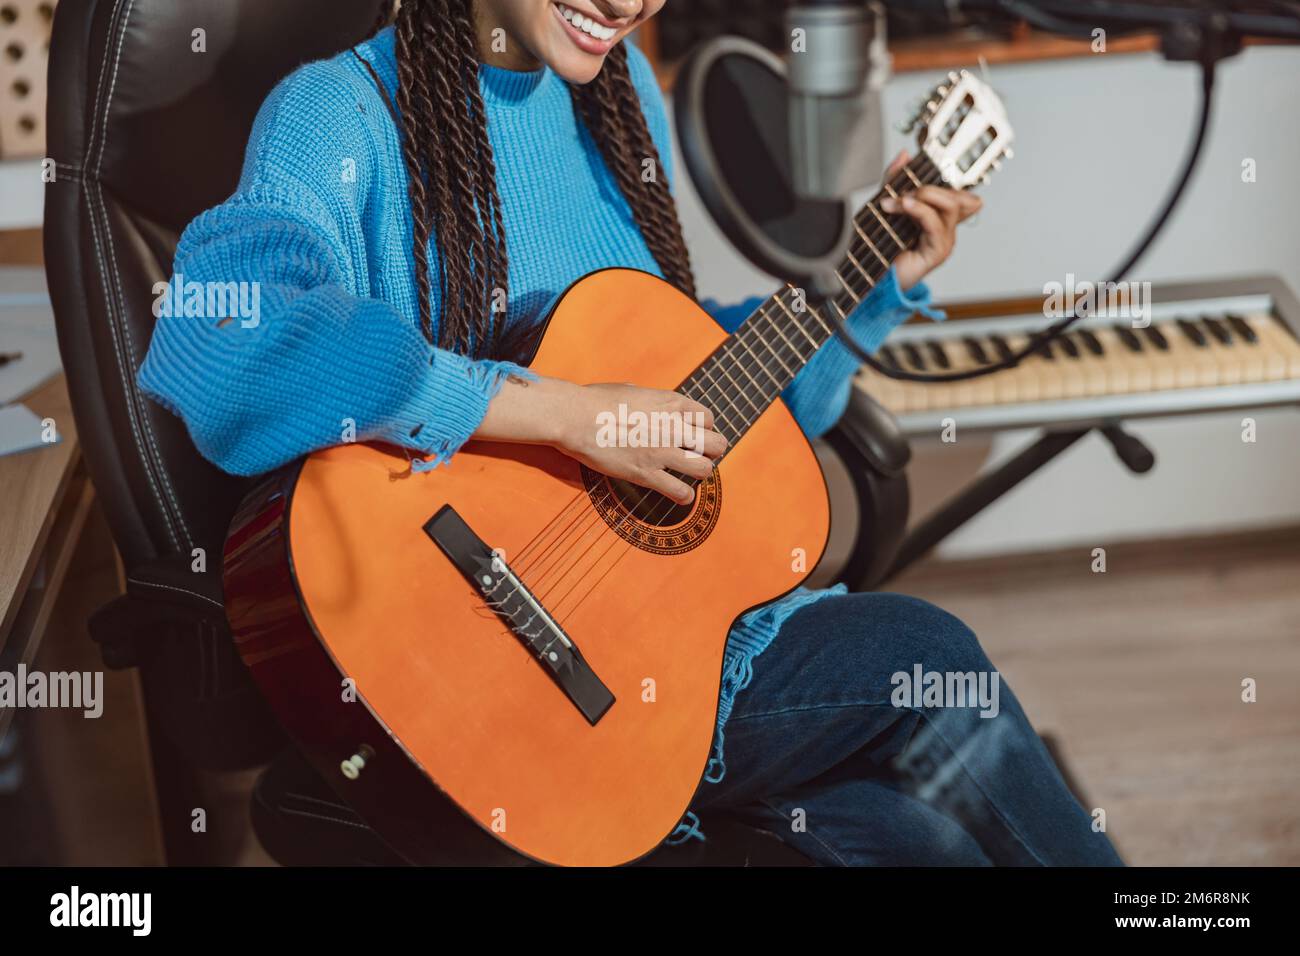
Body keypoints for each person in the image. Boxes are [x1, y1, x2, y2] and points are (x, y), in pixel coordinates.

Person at [138, 0, 1122, 866]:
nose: (623, 3)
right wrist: (565, 415)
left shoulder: (617, 98)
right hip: (500, 669)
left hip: (666, 640)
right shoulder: (336, 113)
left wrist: (871, 286)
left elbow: (706, 412)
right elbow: (222, 341)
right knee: (930, 660)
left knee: (931, 839)